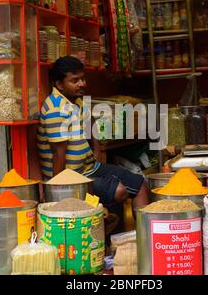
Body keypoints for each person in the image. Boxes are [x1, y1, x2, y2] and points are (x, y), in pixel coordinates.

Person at [37, 56, 150, 222]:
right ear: (59, 84)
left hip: (90, 168)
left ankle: (144, 237)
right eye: (74, 80)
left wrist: (96, 148)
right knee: (119, 192)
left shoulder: (76, 101)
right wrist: (57, 192)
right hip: (72, 178)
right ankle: (105, 225)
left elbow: (91, 122)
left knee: (140, 184)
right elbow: (58, 153)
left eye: (83, 78)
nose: (82, 84)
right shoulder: (56, 109)